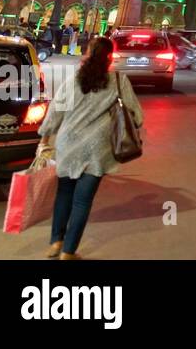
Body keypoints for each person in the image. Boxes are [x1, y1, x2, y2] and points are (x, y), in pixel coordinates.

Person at [37, 35, 144, 260]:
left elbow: (56, 110)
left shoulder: (74, 79)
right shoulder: (118, 80)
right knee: (82, 201)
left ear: (88, 53)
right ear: (109, 57)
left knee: (64, 194)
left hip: (68, 145)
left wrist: (44, 140)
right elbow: (137, 115)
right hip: (97, 149)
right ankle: (68, 251)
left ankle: (56, 242)